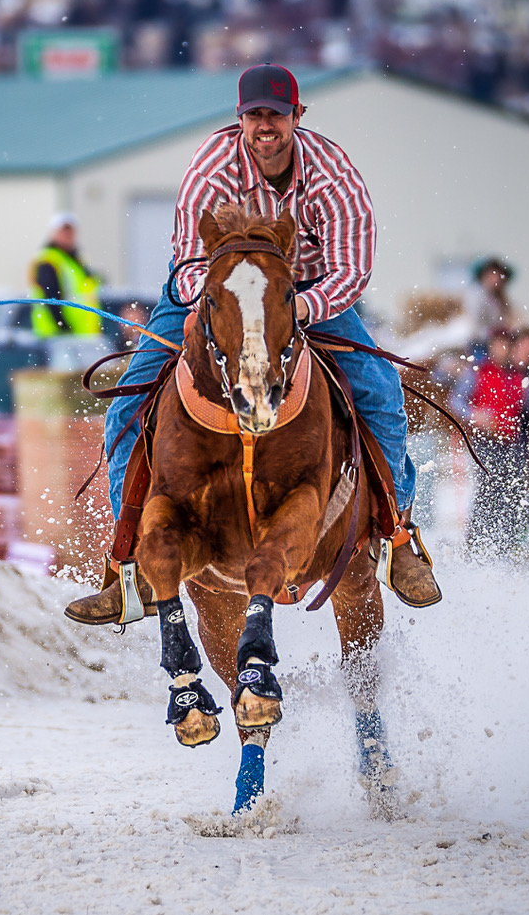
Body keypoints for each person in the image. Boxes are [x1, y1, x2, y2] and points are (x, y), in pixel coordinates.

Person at [64, 62, 441, 625]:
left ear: (297, 116)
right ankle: (127, 564)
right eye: (255, 115)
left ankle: (395, 534)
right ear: (240, 119)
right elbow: (189, 262)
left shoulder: (333, 175)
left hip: (307, 294)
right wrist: (223, 308)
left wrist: (296, 310)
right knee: (128, 404)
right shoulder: (211, 166)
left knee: (381, 393)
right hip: (215, 294)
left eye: (276, 115)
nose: (266, 126)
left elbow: (351, 270)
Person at [457, 329, 529, 556]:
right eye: (498, 344)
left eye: (505, 345)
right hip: (486, 441)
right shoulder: (477, 372)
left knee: (512, 492)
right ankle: (476, 542)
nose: (501, 349)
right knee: (487, 490)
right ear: (491, 347)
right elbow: (456, 400)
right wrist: (474, 414)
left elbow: (528, 409)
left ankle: (507, 544)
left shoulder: (518, 375)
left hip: (512, 443)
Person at [28, 212, 102, 337]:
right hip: (57, 336)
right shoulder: (49, 260)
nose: (67, 235)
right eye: (63, 231)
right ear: (53, 233)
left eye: (70, 231)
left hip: (81, 336)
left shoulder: (76, 261)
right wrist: (64, 328)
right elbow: (51, 299)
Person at [465, 256, 518, 350]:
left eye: (499, 276)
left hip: (496, 341)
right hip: (480, 343)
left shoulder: (499, 298)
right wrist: (495, 333)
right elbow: (475, 323)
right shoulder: (477, 295)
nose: (496, 279)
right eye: (493, 275)